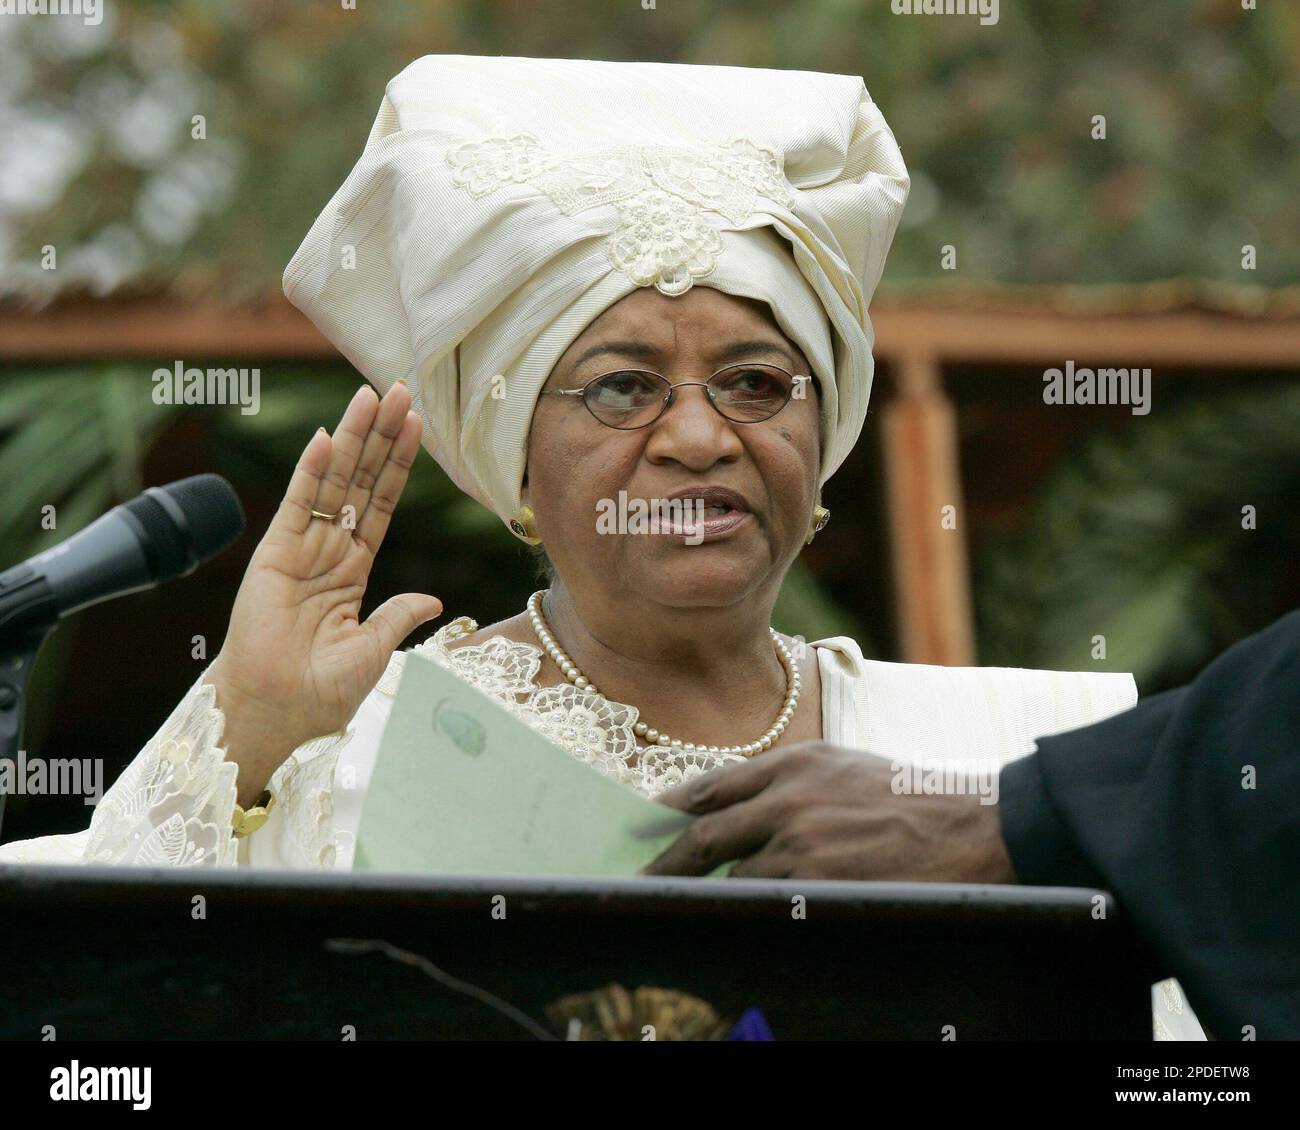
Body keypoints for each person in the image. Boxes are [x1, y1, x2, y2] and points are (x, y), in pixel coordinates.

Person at [0, 55, 1198, 1038]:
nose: (696, 436)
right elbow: (92, 1033)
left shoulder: (1022, 757)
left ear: (819, 434)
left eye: (754, 381)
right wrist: (250, 729)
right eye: (622, 387)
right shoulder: (343, 760)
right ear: (520, 464)